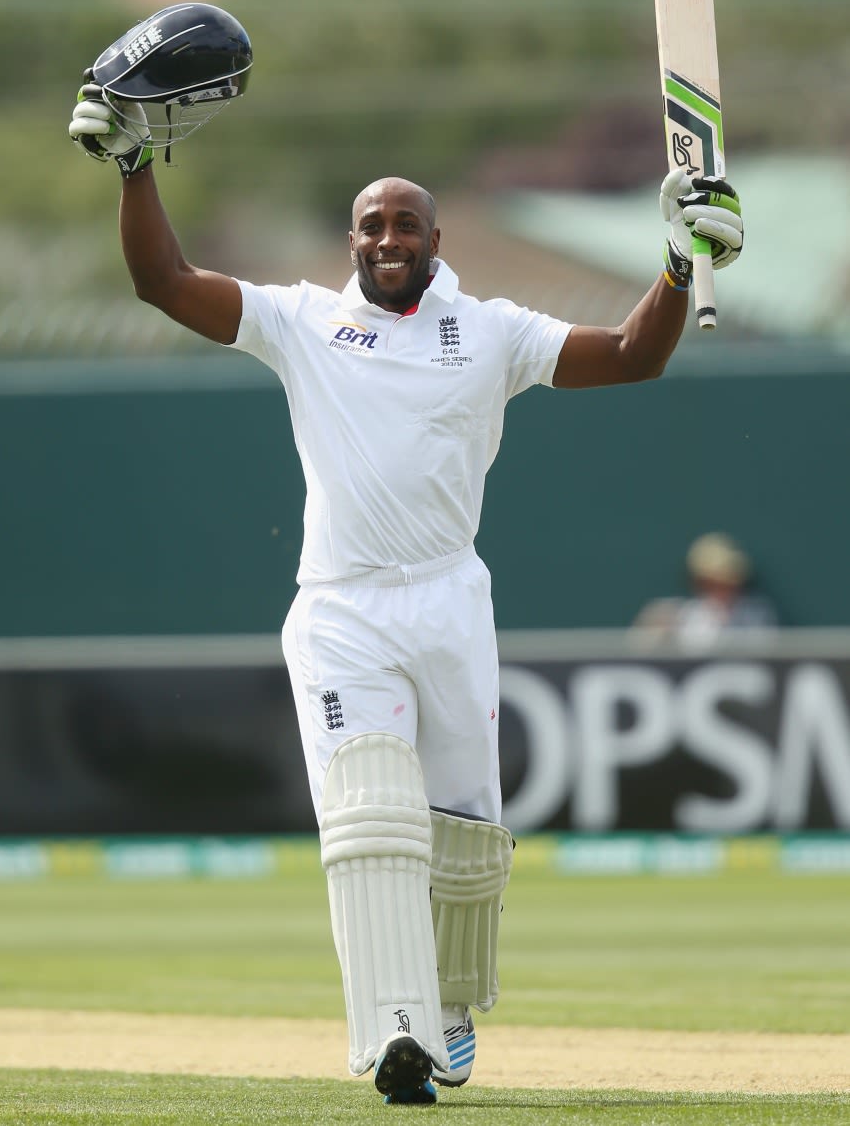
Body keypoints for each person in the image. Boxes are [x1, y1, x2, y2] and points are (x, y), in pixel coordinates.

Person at [68, 82, 744, 1104]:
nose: (389, 239)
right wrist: (133, 164)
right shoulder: (301, 322)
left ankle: (453, 1000)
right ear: (350, 241)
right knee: (371, 814)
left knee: (463, 836)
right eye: (372, 225)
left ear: (435, 237)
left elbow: (636, 356)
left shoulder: (491, 331)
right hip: (340, 609)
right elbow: (162, 280)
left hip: (447, 603)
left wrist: (680, 260)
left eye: (407, 225)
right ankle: (397, 1035)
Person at [634, 531, 778, 648]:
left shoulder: (756, 614)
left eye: (727, 581)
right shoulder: (684, 615)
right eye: (711, 582)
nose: (721, 588)